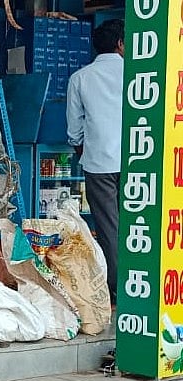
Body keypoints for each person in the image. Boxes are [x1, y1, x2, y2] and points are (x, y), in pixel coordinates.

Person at [67, 18, 124, 307]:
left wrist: (84, 151)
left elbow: (74, 129)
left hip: (99, 163)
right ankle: (140, 285)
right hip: (139, 159)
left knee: (108, 227)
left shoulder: (80, 78)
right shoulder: (138, 75)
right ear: (121, 44)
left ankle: (116, 288)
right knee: (139, 224)